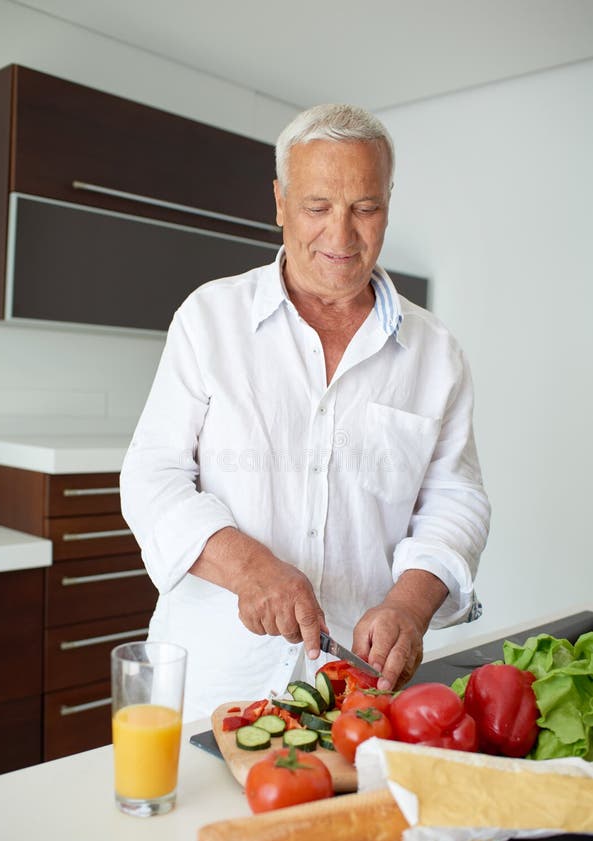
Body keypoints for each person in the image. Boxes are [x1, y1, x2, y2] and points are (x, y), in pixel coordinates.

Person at [120, 104, 490, 721]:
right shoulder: (209, 320)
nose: (340, 237)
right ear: (280, 202)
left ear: (388, 203)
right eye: (317, 207)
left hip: (354, 693)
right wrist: (250, 568)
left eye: (364, 208)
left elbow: (456, 498)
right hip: (210, 682)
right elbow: (150, 477)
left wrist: (410, 603)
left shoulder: (437, 354)